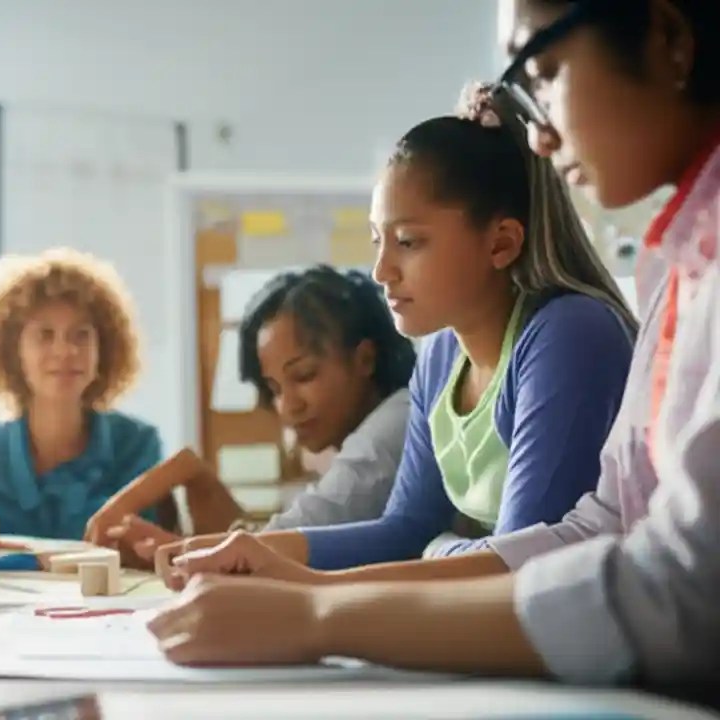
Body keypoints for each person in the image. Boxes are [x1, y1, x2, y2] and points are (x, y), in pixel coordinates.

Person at [147, 0, 720, 685]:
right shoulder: (674, 267)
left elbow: (666, 584)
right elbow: (595, 529)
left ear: (668, 39)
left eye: (545, 72)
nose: (541, 136)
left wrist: (320, 610)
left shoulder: (573, 331)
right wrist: (296, 578)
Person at [156, 78, 637, 580]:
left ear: (501, 244)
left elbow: (515, 566)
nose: (382, 270)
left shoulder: (569, 335)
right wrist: (249, 549)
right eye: (377, 241)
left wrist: (430, 552)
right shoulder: (442, 353)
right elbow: (407, 529)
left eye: (408, 242)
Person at [92, 266, 416, 558]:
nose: (289, 406)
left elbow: (277, 548)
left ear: (364, 359)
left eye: (304, 376)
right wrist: (193, 477)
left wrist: (178, 552)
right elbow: (277, 543)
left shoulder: (394, 424)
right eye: (274, 389)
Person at [0, 248, 168, 540]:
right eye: (44, 335)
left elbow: (145, 554)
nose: (65, 351)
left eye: (81, 335)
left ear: (105, 347)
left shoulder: (137, 447)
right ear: (11, 350)